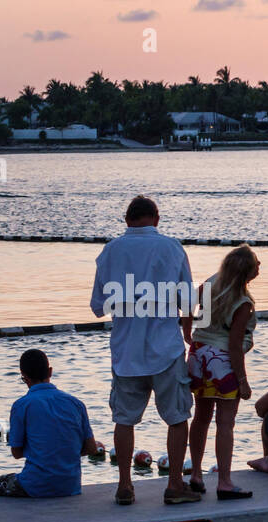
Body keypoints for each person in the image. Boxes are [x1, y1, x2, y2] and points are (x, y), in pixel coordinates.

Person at [90, 194, 197, 506]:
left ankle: (125, 485)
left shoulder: (110, 252)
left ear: (127, 221)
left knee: (124, 419)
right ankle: (175, 484)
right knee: (177, 418)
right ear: (157, 219)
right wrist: (187, 331)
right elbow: (188, 300)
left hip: (126, 352)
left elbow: (98, 307)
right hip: (166, 348)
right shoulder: (171, 247)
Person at [186, 244, 259, 500]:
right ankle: (225, 482)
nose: (260, 265)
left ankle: (195, 474)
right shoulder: (242, 301)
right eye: (257, 263)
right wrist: (243, 381)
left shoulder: (210, 284)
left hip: (198, 354)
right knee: (225, 423)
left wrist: (188, 335)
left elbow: (187, 305)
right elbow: (234, 346)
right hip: (221, 361)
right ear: (247, 272)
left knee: (201, 417)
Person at [0, 349, 98, 498]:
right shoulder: (76, 403)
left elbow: (17, 453)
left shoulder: (21, 405)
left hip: (34, 485)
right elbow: (91, 448)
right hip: (70, 486)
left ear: (24, 377)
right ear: (50, 371)